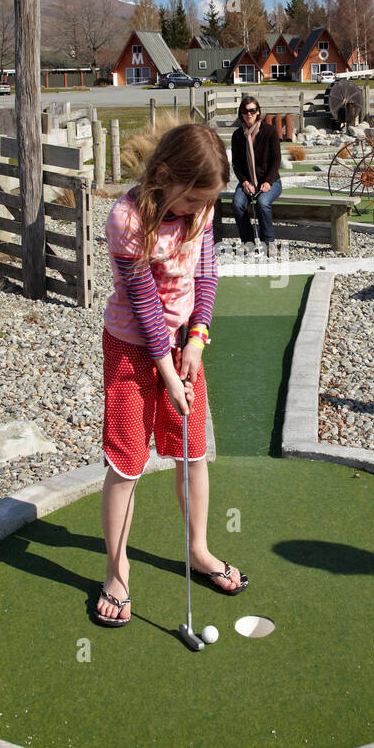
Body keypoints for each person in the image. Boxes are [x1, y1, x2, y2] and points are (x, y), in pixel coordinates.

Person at [96, 121, 248, 626]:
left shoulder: (202, 210)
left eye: (204, 203)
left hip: (183, 346)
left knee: (193, 451)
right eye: (189, 202)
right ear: (163, 176)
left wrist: (198, 341)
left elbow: (206, 275)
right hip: (133, 350)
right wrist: (166, 369)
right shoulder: (126, 219)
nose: (195, 212)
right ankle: (118, 574)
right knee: (126, 464)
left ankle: (199, 550)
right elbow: (143, 306)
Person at [230, 95, 282, 254]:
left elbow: (276, 160)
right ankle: (247, 242)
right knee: (237, 203)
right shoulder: (238, 135)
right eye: (245, 111)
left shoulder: (270, 131)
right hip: (248, 182)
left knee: (262, 203)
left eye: (252, 110)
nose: (249, 114)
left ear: (258, 112)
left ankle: (269, 243)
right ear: (241, 114)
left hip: (271, 182)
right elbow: (237, 164)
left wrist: (268, 182)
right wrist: (245, 182)